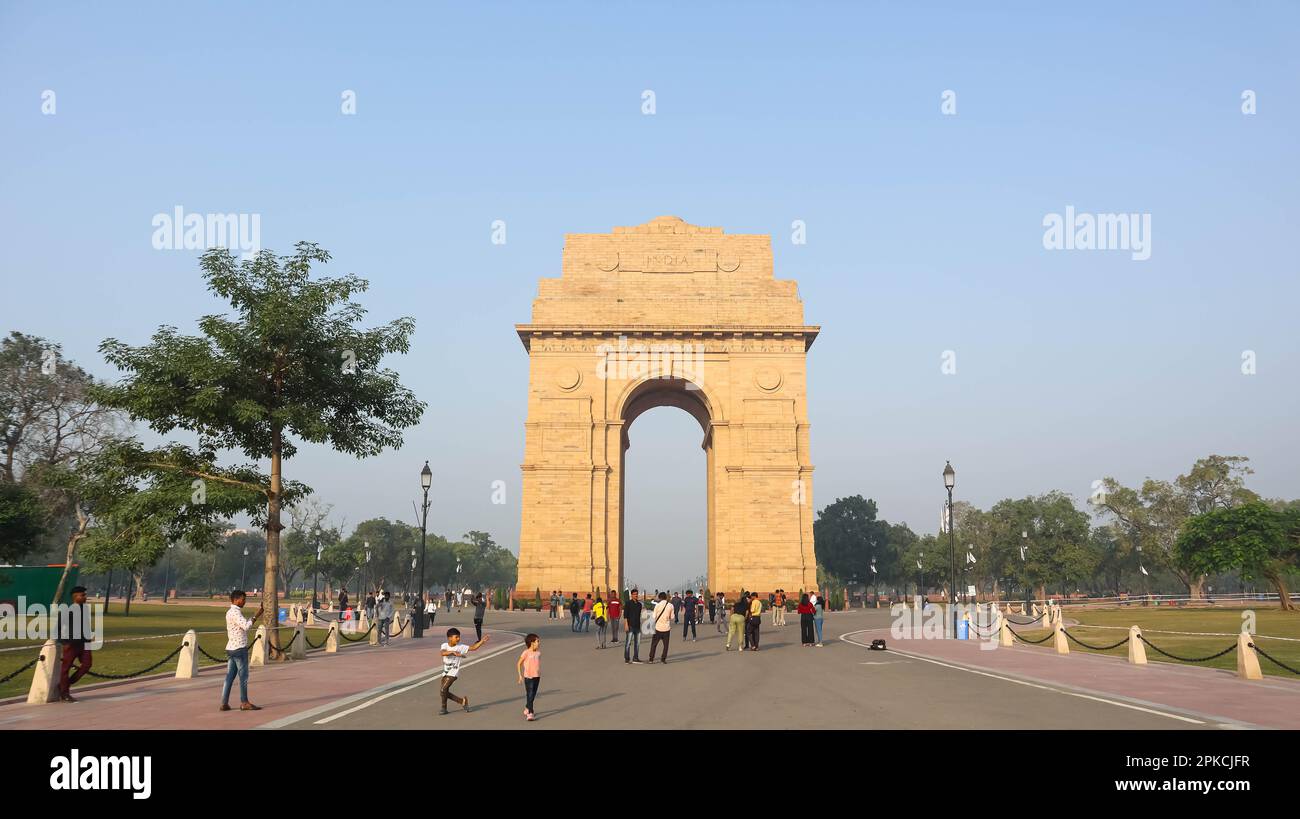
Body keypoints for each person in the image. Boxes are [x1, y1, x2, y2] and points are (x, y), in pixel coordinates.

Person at [221, 589, 263, 711]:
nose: (244, 602)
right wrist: (257, 614)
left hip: (231, 648)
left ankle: (224, 703)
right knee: (243, 677)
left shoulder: (230, 612)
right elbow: (246, 626)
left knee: (229, 677)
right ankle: (244, 702)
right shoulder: (235, 613)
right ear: (236, 600)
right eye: (243, 599)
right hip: (239, 649)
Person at [57, 586, 94, 702]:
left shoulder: (85, 609)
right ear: (75, 597)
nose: (85, 597)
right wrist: (64, 642)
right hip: (71, 644)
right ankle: (64, 693)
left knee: (87, 665)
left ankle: (64, 684)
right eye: (82, 595)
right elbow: (57, 628)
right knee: (65, 669)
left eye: (85, 595)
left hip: (84, 643)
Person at [439, 627, 489, 715]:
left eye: (459, 637)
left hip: (453, 672)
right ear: (450, 638)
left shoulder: (461, 647)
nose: (458, 639)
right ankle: (462, 701)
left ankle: (444, 708)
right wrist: (453, 653)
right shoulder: (444, 645)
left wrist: (481, 642)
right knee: (443, 691)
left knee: (443, 689)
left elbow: (473, 648)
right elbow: (442, 653)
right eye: (456, 637)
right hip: (445, 671)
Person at [516, 633, 542, 721]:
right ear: (532, 643)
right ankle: (530, 713)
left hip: (537, 677)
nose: (539, 643)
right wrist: (520, 676)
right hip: (528, 677)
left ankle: (527, 707)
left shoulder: (538, 653)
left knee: (533, 695)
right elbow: (519, 663)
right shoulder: (526, 652)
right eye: (537, 641)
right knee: (530, 694)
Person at [648, 591, 673, 663]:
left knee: (654, 644)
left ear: (659, 598)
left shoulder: (657, 605)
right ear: (666, 597)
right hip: (666, 628)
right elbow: (672, 617)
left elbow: (653, 617)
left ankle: (651, 659)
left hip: (658, 628)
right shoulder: (671, 606)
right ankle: (663, 659)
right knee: (665, 645)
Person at [623, 589, 644, 664]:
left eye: (636, 594)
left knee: (637, 643)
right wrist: (626, 625)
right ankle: (627, 658)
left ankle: (635, 658)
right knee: (628, 643)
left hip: (637, 626)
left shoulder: (639, 605)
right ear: (631, 595)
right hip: (630, 625)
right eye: (634, 594)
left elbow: (639, 616)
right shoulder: (628, 603)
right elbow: (625, 615)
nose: (636, 595)